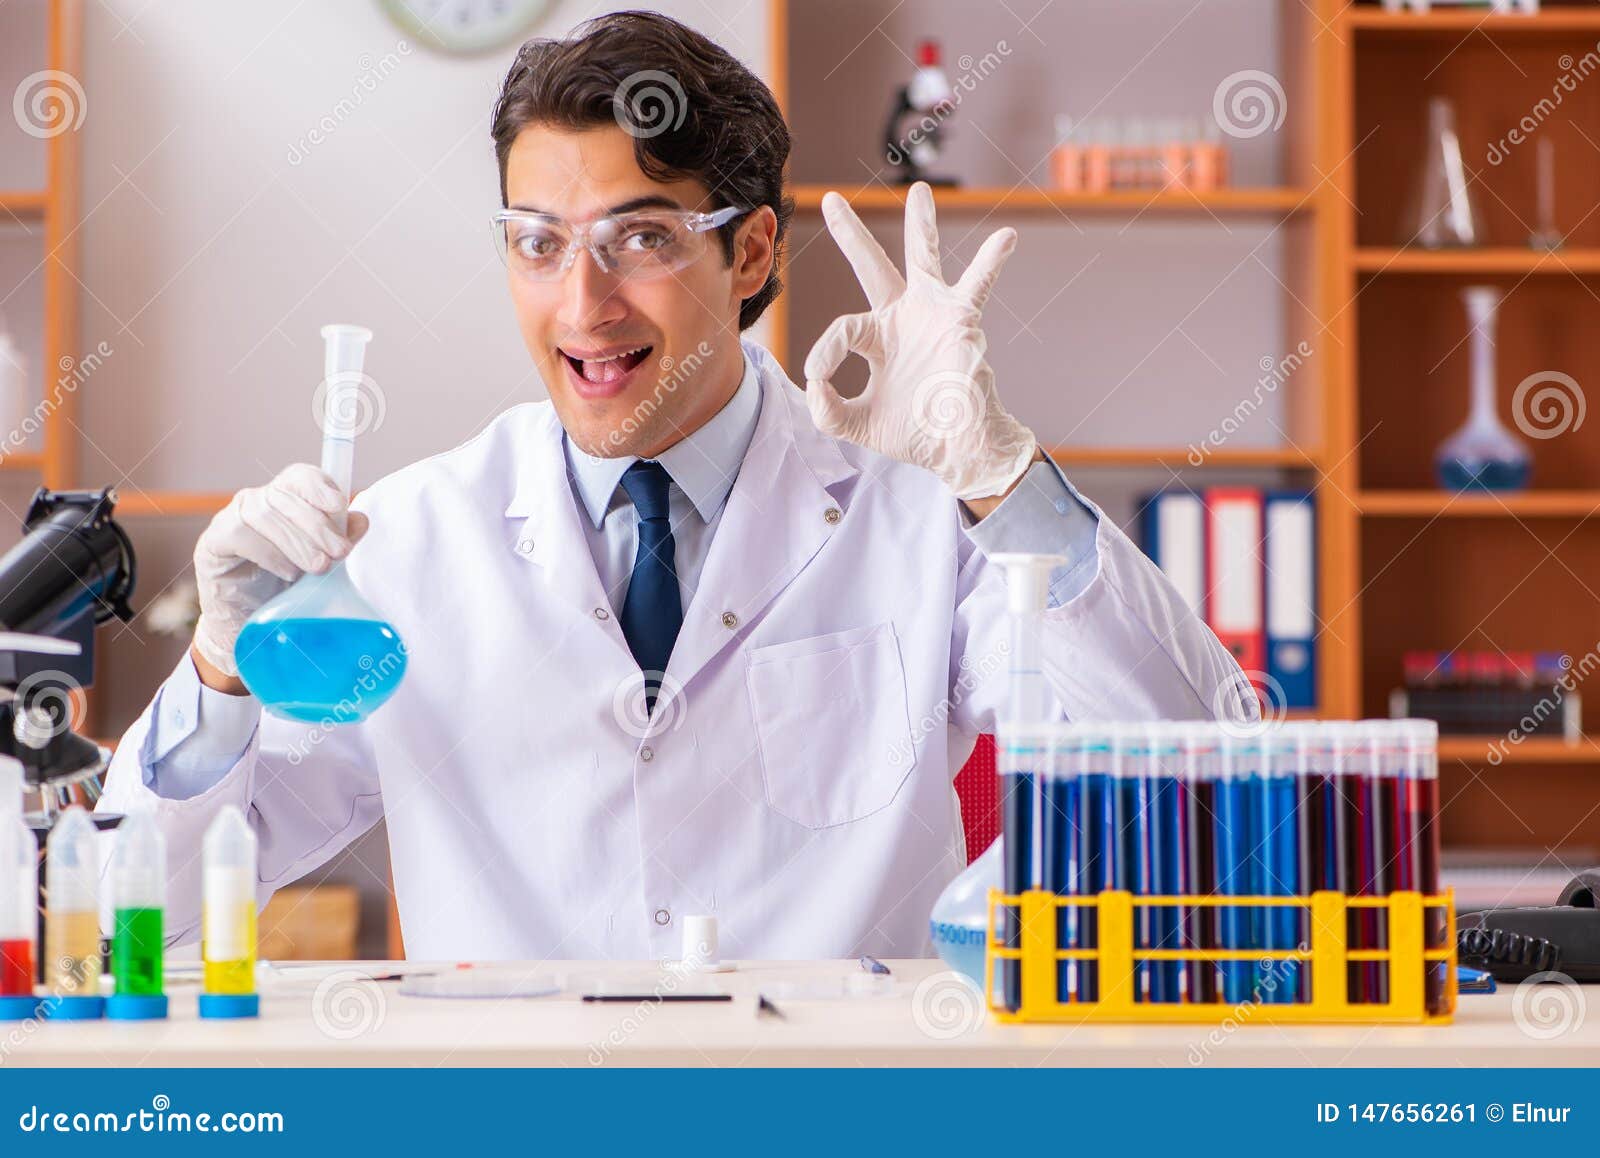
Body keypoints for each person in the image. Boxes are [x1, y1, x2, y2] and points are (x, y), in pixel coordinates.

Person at [98, 11, 1254, 960]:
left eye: (639, 239)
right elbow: (133, 910)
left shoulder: (911, 516)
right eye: (536, 241)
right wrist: (217, 668)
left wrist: (1005, 484)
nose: (582, 304)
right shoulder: (408, 542)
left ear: (749, 253)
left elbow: (1201, 779)